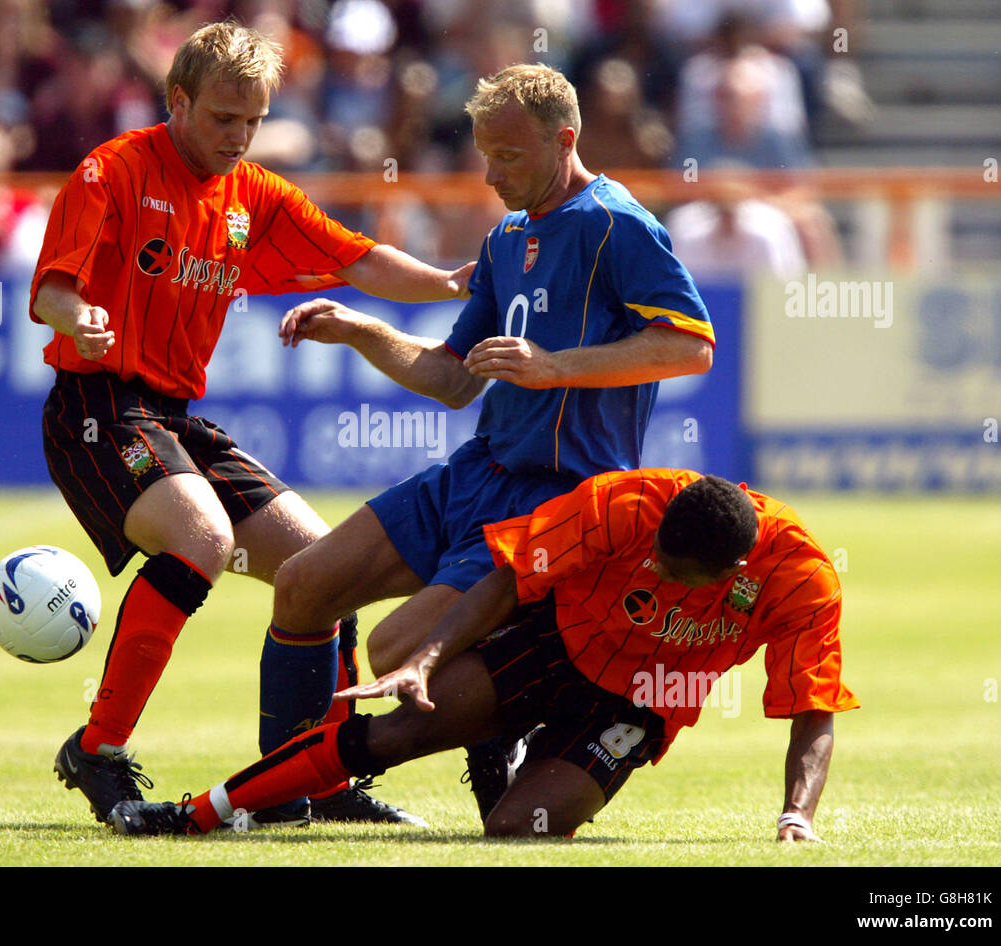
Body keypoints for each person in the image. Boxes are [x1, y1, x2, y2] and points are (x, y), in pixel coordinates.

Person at [31, 21, 470, 828]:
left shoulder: (253, 195)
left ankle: (320, 780)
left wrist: (452, 282)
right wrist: (79, 314)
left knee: (328, 569)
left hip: (171, 415)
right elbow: (49, 290)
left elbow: (362, 259)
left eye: (252, 122)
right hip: (94, 408)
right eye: (222, 119)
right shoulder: (114, 171)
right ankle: (96, 750)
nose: (238, 138)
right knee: (198, 539)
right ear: (178, 101)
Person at [257, 63, 714, 821]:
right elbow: (456, 378)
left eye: (508, 156)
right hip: (475, 472)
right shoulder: (507, 237)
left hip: (556, 495)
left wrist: (556, 368)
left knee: (396, 651)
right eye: (483, 155)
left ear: (564, 140)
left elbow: (690, 346)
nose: (491, 174)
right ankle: (296, 793)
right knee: (303, 584)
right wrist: (362, 330)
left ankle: (505, 712)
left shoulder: (617, 224)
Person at [107, 469, 859, 840]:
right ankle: (197, 813)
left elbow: (813, 709)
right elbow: (507, 578)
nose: (655, 569)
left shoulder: (802, 580)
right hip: (551, 646)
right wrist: (427, 658)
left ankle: (521, 746)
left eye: (674, 572)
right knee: (394, 734)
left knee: (515, 830)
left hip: (637, 705)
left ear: (730, 574)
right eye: (656, 556)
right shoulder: (631, 502)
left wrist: (797, 816)